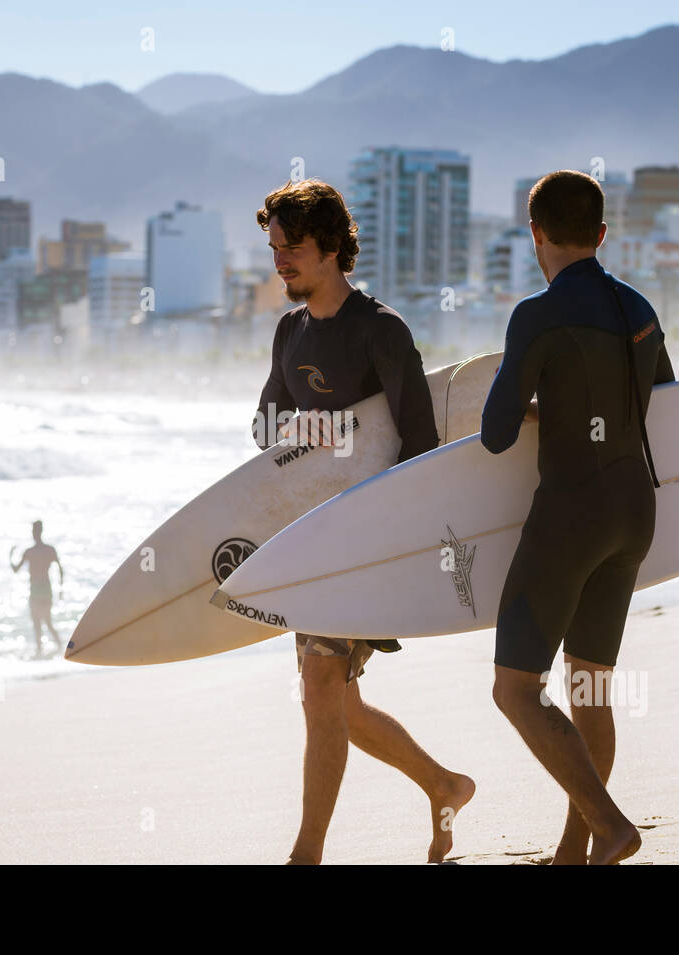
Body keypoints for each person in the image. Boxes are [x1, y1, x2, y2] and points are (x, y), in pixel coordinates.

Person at [254, 178, 474, 865]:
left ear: (328, 247)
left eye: (290, 248)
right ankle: (445, 784)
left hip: (369, 539)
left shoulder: (381, 329)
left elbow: (419, 442)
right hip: (311, 537)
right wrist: (302, 427)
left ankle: (306, 856)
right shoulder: (289, 331)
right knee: (335, 706)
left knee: (322, 690)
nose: (279, 261)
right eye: (273, 249)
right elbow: (265, 428)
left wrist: (391, 540)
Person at [480, 170, 675, 865]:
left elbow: (497, 431)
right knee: (589, 684)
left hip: (571, 513)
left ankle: (611, 825)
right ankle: (575, 851)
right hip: (634, 513)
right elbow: (666, 405)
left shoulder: (536, 314)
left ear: (535, 235)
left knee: (515, 689)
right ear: (600, 235)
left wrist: (542, 408)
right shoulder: (641, 309)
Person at [12, 520, 63, 655]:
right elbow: (60, 569)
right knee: (48, 622)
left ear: (34, 532)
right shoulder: (49, 550)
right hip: (46, 590)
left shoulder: (30, 552)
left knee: (37, 624)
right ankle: (60, 648)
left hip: (35, 591)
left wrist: (10, 556)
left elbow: (15, 569)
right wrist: (61, 589)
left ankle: (40, 652)